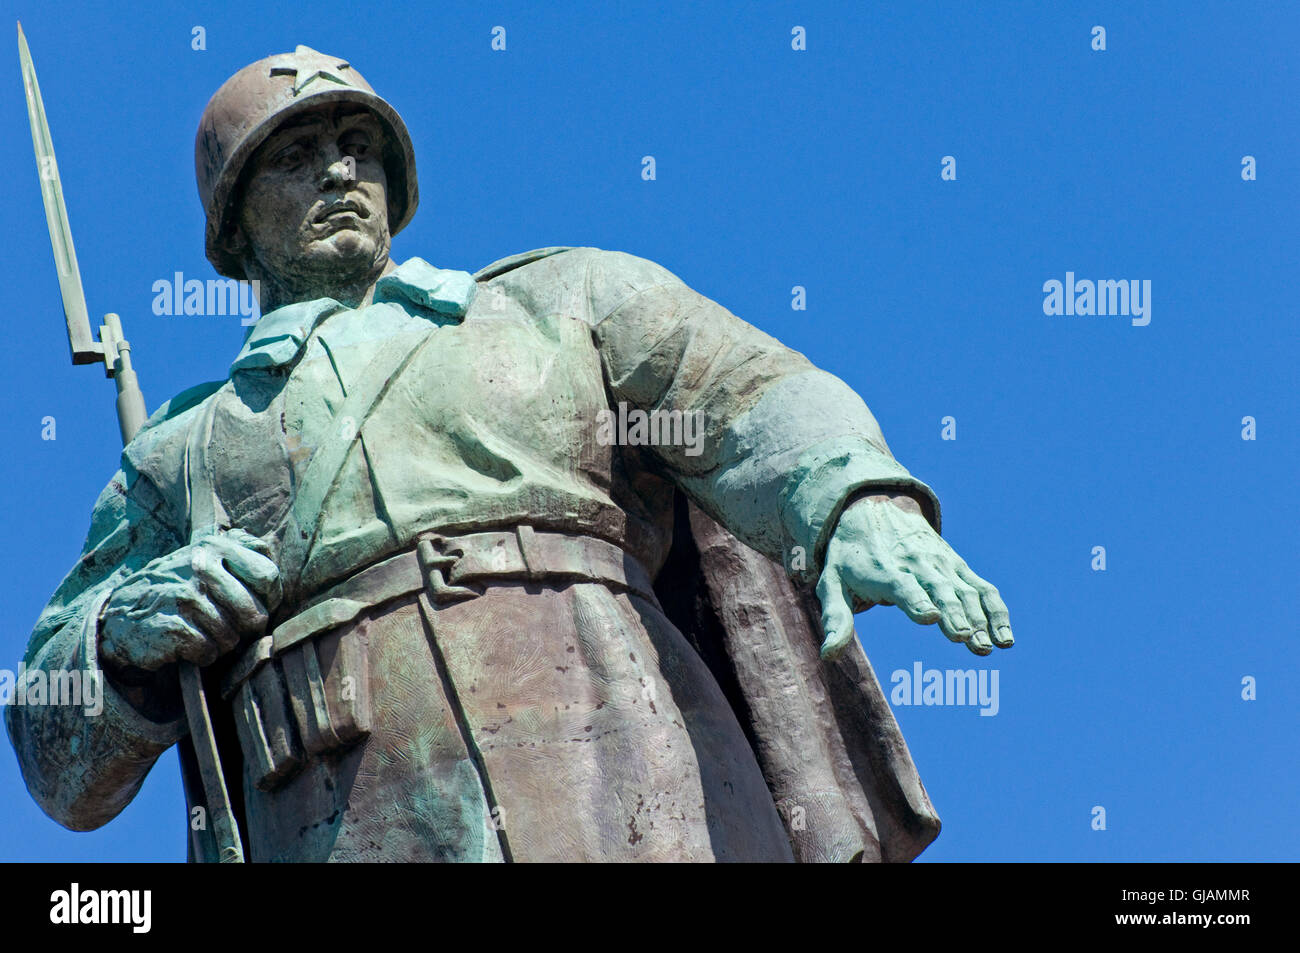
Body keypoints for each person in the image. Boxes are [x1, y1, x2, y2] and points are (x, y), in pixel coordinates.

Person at [8, 47, 1012, 862]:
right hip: (334, 802)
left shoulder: (558, 299)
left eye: (361, 147)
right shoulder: (178, 452)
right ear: (232, 227)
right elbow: (57, 753)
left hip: (618, 756)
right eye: (296, 155)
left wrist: (854, 497)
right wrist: (116, 639)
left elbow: (746, 391)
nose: (340, 171)